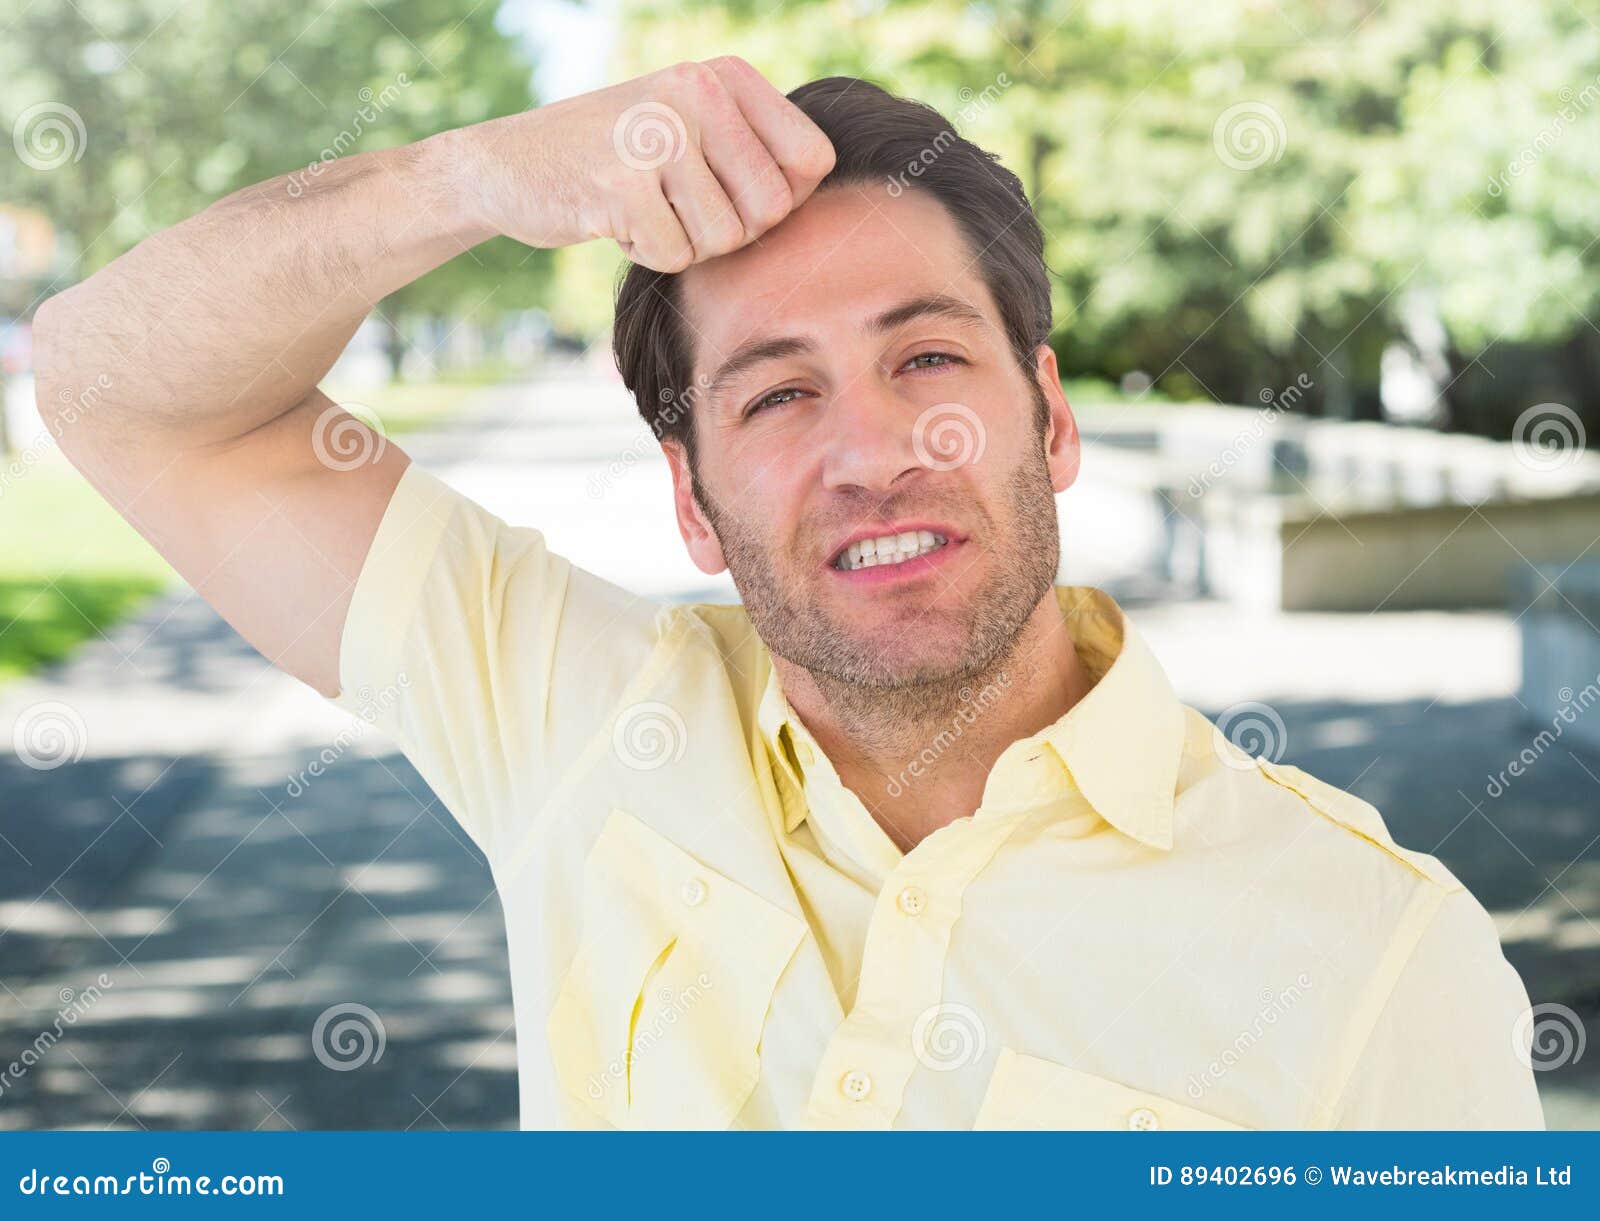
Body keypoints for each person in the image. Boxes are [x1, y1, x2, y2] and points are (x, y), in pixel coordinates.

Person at [33, 57, 1544, 1130]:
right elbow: (121, 387)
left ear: (1052, 416)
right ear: (692, 500)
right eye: (775, 396)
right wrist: (467, 175)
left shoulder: (1381, 953)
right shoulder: (572, 716)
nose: (874, 452)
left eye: (927, 358)